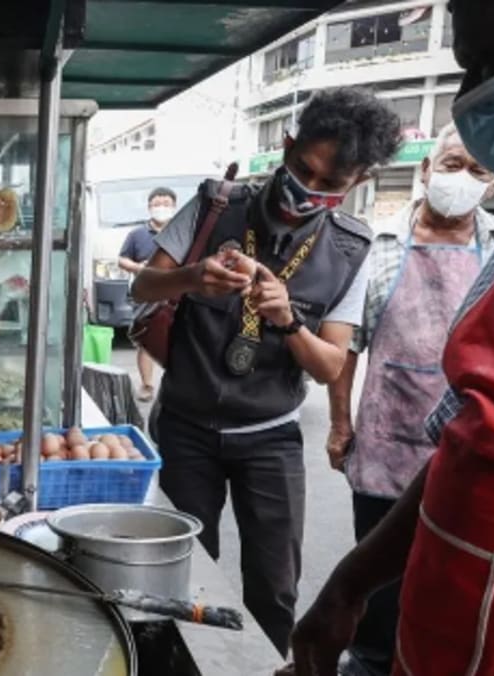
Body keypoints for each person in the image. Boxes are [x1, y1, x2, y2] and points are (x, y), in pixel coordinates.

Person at [287, 2, 494, 674]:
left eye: (487, 63)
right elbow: (476, 441)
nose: (466, 101)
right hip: (439, 628)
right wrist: (351, 582)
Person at [132, 87, 402, 655]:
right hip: (185, 428)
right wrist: (191, 277)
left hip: (269, 440)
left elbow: (331, 365)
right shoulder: (214, 205)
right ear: (286, 145)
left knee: (275, 587)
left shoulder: (350, 248)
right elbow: (141, 286)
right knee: (178, 571)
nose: (311, 191)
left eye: (332, 185)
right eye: (304, 170)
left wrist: (288, 322)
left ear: (356, 184)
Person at [324, 125, 494, 676]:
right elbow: (348, 346)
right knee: (377, 597)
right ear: (425, 171)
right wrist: (339, 425)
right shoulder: (380, 248)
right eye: (452, 165)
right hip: (384, 451)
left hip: (468, 458)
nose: (463, 180)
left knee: (454, 593)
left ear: (492, 186)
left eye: (479, 171)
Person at [118, 187, 177, 402]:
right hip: (147, 292)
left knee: (180, 338)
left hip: (176, 292)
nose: (162, 208)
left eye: (166, 203)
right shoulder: (137, 234)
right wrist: (139, 269)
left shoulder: (182, 231)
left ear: (174, 207)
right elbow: (122, 259)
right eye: (157, 204)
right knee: (147, 337)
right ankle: (147, 384)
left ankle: (178, 384)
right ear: (149, 207)